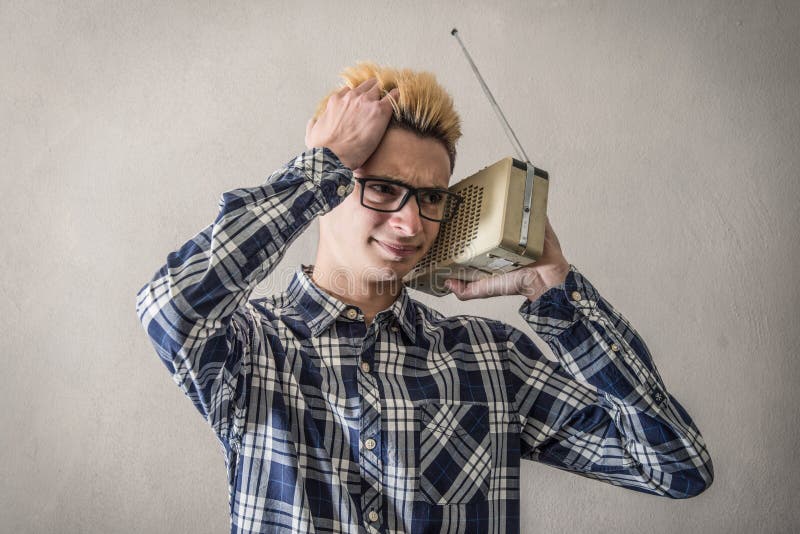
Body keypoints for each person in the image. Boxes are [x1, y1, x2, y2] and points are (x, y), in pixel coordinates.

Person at [136, 62, 713, 534]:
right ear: (330, 187)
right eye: (383, 188)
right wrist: (320, 166)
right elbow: (170, 306)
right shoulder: (250, 346)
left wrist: (557, 296)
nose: (411, 223)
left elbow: (677, 467)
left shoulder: (491, 358)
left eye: (431, 198)